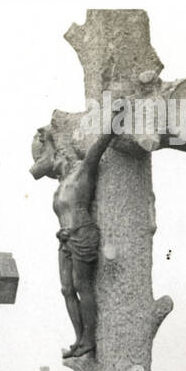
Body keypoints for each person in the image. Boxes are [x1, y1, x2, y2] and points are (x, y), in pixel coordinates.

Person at [30, 124, 115, 357]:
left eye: (54, 164)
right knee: (66, 289)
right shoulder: (61, 185)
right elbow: (47, 157)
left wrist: (114, 122)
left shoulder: (82, 172)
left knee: (81, 285)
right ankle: (78, 339)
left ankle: (89, 338)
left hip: (82, 232)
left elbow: (98, 147)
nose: (53, 172)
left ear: (62, 156)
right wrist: (47, 138)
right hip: (64, 238)